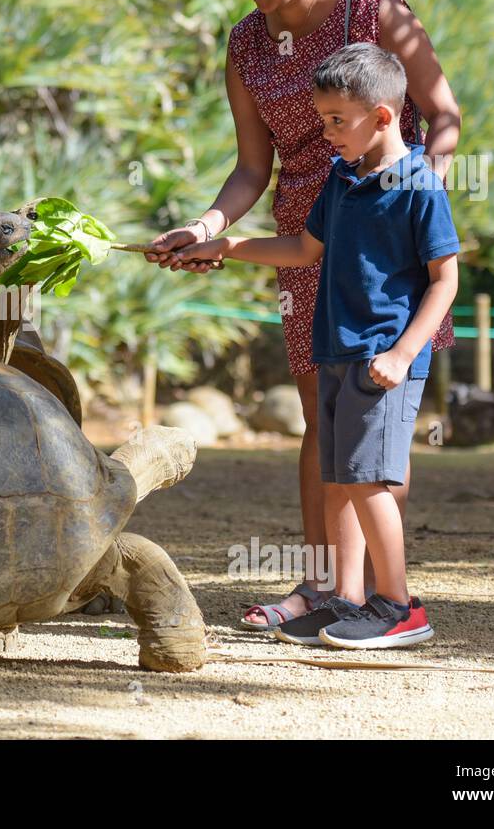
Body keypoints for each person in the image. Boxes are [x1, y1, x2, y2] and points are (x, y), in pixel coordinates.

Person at [145, 0, 462, 630]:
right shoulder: (245, 44)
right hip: (307, 235)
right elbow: (253, 167)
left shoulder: (370, 9)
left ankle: (380, 596)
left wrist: (417, 193)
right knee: (323, 415)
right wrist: (208, 230)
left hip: (387, 238)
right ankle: (327, 589)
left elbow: (442, 113)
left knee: (373, 417)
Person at [173, 43, 458, 647]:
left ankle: (399, 607)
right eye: (321, 119)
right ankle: (343, 600)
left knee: (368, 479)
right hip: (335, 349)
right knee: (337, 478)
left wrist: (403, 354)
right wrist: (223, 247)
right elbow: (304, 250)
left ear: (382, 117)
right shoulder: (342, 177)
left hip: (384, 358)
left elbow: (445, 281)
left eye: (335, 121)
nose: (324, 133)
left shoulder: (419, 187)